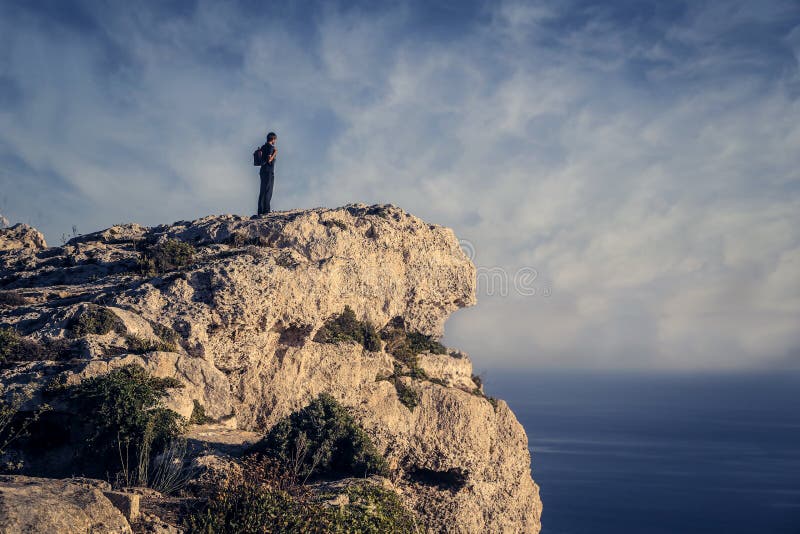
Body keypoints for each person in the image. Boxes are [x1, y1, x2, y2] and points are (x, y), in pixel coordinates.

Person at [258, 132, 278, 215]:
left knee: (262, 190)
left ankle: (260, 210)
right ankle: (266, 210)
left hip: (262, 171)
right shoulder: (270, 147)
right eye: (275, 139)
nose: (275, 141)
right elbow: (269, 160)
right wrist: (275, 153)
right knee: (268, 190)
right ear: (273, 139)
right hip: (269, 171)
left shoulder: (263, 147)